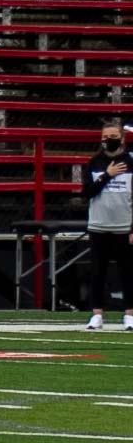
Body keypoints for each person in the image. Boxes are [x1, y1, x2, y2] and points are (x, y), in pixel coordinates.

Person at [82, 118, 133, 331]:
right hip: (99, 225)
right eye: (105, 138)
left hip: (124, 226)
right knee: (98, 272)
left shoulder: (131, 164)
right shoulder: (93, 163)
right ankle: (97, 315)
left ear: (122, 139)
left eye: (113, 137)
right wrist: (107, 176)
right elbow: (86, 193)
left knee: (128, 272)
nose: (109, 141)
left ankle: (129, 314)